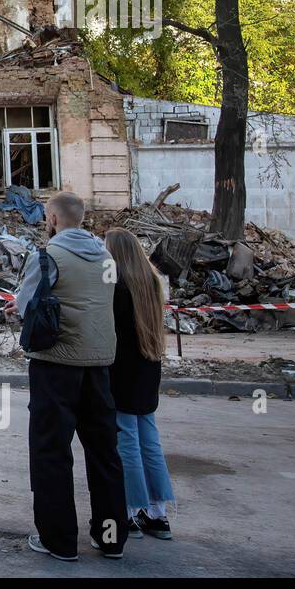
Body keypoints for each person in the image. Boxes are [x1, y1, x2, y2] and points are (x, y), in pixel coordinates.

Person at [12, 190, 128, 562]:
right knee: (105, 454)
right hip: (99, 367)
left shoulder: (47, 256)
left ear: (53, 219)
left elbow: (24, 304)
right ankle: (111, 539)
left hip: (55, 366)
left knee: (51, 453)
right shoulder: (107, 257)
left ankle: (59, 541)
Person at [105, 227, 175, 540]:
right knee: (150, 442)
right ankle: (158, 514)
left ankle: (131, 512)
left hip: (121, 369)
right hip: (149, 365)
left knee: (127, 443)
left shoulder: (116, 285)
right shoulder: (152, 282)